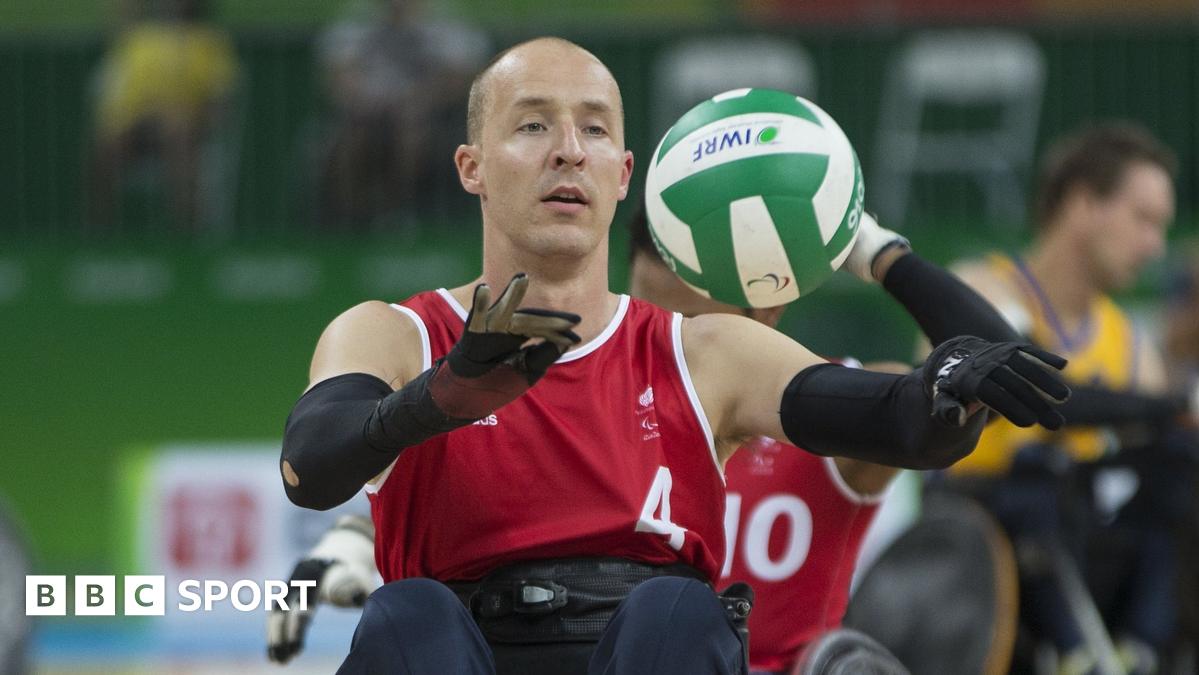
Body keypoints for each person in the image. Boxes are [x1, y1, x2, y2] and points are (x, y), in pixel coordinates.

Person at [278, 37, 1069, 675]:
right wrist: (442, 395)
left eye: (595, 129)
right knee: (407, 615)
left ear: (624, 174)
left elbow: (906, 421)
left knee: (676, 610)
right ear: (471, 166)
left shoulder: (705, 350)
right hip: (460, 644)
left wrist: (952, 379)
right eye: (532, 126)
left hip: (649, 646)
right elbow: (307, 468)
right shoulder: (394, 335)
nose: (568, 151)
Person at [943, 123, 1196, 674]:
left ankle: (1142, 648)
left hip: (1086, 549)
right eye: (1143, 219)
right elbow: (1040, 391)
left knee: (1182, 465)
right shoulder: (982, 288)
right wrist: (1175, 404)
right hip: (982, 550)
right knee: (1038, 472)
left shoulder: (1130, 344)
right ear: (1083, 204)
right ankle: (1081, 654)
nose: (1154, 246)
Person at [312, 0, 489, 229]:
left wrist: (418, 103)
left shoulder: (447, 23)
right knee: (353, 140)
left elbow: (458, 79)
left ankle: (394, 211)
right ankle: (350, 216)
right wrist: (369, 105)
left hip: (431, 118)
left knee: (411, 133)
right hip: (364, 115)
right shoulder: (356, 22)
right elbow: (339, 78)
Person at [88, 0, 240, 232]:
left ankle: (185, 230)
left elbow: (222, 98)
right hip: (138, 123)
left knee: (177, 133)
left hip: (186, 127)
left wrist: (198, 117)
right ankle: (98, 232)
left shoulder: (210, 41)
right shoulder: (140, 37)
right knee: (106, 147)